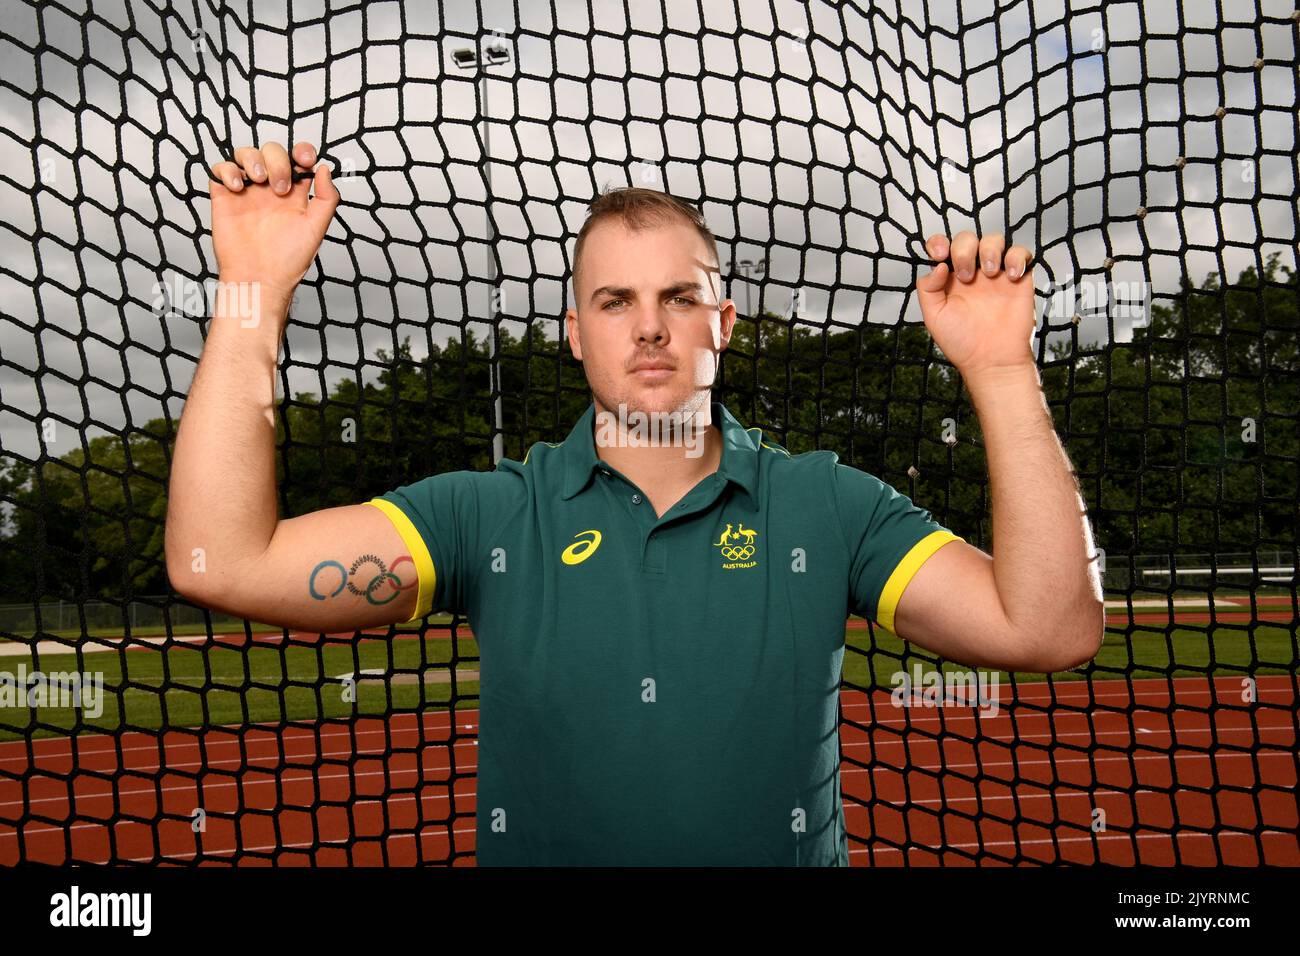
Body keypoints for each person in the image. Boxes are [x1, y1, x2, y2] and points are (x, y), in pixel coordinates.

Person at [166, 140, 1105, 866]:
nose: (651, 326)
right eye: (614, 301)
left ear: (724, 325)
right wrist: (251, 292)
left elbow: (1050, 630)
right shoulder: (492, 518)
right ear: (575, 334)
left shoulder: (827, 505)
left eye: (679, 297)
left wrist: (1003, 368)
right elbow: (220, 560)